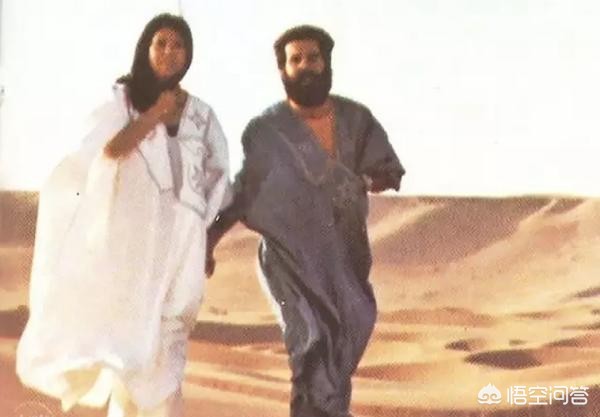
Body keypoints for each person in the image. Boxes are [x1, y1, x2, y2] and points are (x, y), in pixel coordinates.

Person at [16, 13, 231, 417]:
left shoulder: (202, 115)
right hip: (133, 248)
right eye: (160, 43)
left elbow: (219, 179)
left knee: (169, 354)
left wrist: (206, 236)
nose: (169, 52)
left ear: (189, 55)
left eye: (179, 45)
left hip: (181, 250)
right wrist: (154, 114)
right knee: (130, 358)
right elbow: (106, 154)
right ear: (145, 49)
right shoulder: (124, 102)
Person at [206, 25, 405, 417]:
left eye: (313, 58)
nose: (305, 66)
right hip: (289, 263)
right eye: (295, 60)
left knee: (340, 349)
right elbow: (243, 192)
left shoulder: (356, 119)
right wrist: (208, 240)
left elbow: (389, 172)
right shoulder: (267, 131)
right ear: (283, 69)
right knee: (310, 345)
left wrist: (362, 181)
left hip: (344, 260)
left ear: (326, 63)